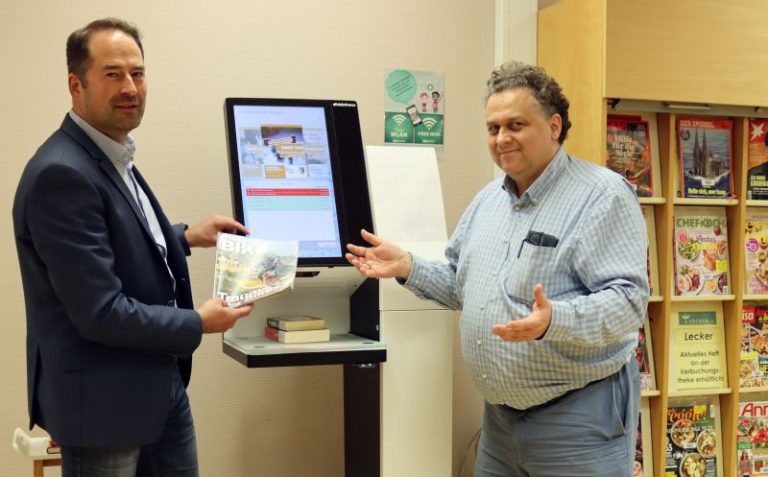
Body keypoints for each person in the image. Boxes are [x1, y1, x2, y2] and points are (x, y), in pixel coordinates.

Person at [345, 61, 648, 476]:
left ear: (554, 126)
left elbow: (628, 303)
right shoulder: (488, 200)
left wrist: (553, 320)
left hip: (578, 418)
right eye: (493, 128)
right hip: (500, 423)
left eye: (516, 125)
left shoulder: (602, 196)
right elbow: (460, 284)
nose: (502, 138)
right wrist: (408, 266)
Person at [13, 18, 254, 476]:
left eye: (137, 74)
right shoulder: (61, 174)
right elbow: (100, 310)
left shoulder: (112, 154)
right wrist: (197, 322)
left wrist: (185, 236)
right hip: (103, 409)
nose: (130, 87)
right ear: (75, 85)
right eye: (113, 74)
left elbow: (112, 239)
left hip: (156, 386)